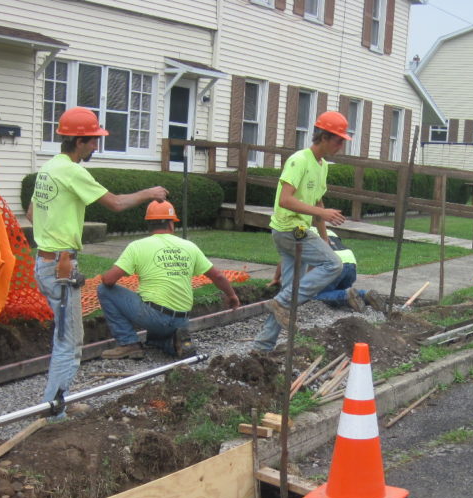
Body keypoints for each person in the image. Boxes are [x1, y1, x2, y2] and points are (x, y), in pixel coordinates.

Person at [27, 106, 167, 414]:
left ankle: (57, 400)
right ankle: (54, 412)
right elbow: (116, 204)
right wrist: (149, 192)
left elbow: (30, 214)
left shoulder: (49, 168)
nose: (96, 146)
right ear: (79, 142)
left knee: (63, 337)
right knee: (69, 343)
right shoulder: (73, 171)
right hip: (60, 268)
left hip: (46, 262)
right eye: (93, 141)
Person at [253, 111, 351, 352]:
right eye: (339, 140)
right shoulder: (299, 160)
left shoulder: (322, 166)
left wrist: (325, 237)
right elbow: (285, 200)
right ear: (325, 137)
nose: (341, 146)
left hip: (298, 230)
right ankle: (281, 302)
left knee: (290, 292)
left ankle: (262, 347)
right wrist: (324, 214)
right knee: (334, 266)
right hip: (288, 229)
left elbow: (317, 205)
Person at [97, 200, 240, 359]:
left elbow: (109, 281)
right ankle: (176, 343)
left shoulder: (137, 246)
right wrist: (232, 296)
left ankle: (129, 343)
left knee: (103, 290)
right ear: (171, 225)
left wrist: (103, 276)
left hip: (154, 318)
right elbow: (218, 276)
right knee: (154, 340)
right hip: (182, 320)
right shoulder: (189, 246)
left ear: (149, 224)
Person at [266, 231, 384, 313]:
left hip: (334, 265)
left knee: (314, 295)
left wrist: (276, 278)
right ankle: (365, 294)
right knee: (338, 291)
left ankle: (346, 296)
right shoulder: (328, 231)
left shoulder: (301, 232)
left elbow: (289, 258)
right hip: (351, 264)